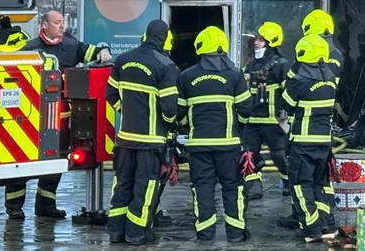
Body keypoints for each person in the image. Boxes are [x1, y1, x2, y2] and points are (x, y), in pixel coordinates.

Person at [0, 10, 110, 221]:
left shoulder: (71, 45)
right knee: (22, 162)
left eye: (63, 22)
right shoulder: (29, 49)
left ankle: (46, 205)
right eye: (57, 22)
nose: (62, 25)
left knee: (56, 161)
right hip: (30, 118)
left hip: (61, 117)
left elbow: (93, 52)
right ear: (45, 25)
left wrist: (103, 49)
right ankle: (14, 206)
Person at [105, 19, 179, 246]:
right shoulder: (166, 66)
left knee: (122, 183)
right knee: (144, 186)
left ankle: (116, 233)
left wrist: (126, 111)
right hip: (151, 140)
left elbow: (110, 94)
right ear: (164, 38)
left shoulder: (123, 60)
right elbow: (169, 108)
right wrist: (170, 126)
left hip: (126, 138)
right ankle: (136, 234)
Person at [176, 26, 252, 243]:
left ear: (200, 47)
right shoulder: (235, 75)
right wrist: (239, 128)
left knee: (202, 188)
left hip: (198, 146)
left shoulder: (186, 76)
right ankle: (236, 235)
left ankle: (205, 235)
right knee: (233, 188)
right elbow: (246, 109)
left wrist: (187, 127)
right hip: (228, 146)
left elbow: (179, 113)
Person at [282, 34, 338, 243]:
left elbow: (286, 104)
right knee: (320, 183)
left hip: (303, 143)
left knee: (300, 184)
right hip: (324, 142)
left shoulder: (300, 82)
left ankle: (311, 228)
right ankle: (326, 224)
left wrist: (292, 74)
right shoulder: (330, 80)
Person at [241, 21, 290, 200]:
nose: (256, 42)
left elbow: (288, 92)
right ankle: (253, 185)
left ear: (271, 42)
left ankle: (288, 182)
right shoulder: (250, 65)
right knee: (249, 154)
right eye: (256, 39)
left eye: (261, 40)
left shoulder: (281, 64)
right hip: (252, 121)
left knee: (279, 155)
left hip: (272, 121)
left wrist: (285, 117)